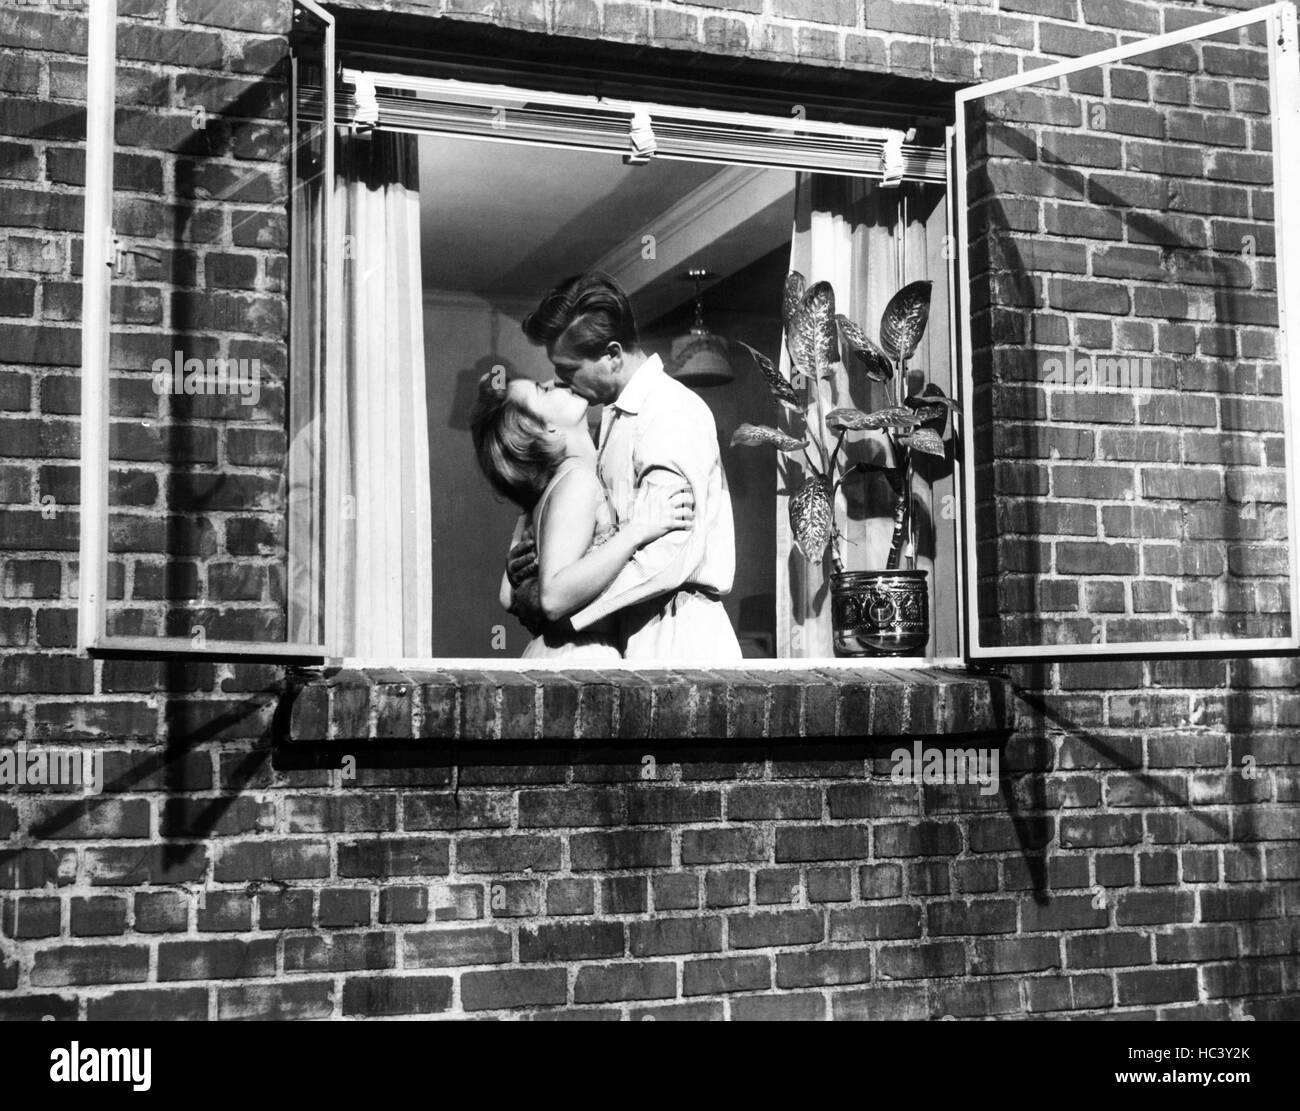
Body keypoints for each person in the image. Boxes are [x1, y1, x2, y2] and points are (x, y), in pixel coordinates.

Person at [505, 271, 742, 661]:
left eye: (567, 369)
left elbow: (670, 552)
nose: (560, 382)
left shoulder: (669, 411)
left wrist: (565, 610)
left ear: (612, 355)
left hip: (674, 637)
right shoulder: (616, 418)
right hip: (630, 628)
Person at [471, 372, 695, 659]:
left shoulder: (558, 484)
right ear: (547, 430)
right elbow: (552, 598)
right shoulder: (577, 480)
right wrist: (638, 530)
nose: (556, 381)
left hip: (556, 652)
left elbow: (506, 596)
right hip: (580, 657)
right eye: (543, 389)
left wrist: (521, 578)